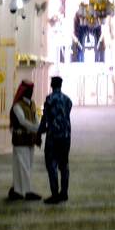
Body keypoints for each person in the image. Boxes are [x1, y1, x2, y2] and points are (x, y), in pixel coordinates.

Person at [37, 75, 73, 204]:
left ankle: (55, 194)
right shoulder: (67, 100)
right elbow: (67, 114)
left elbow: (45, 118)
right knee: (64, 164)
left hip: (53, 137)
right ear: (61, 85)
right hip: (65, 136)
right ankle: (64, 193)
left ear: (52, 85)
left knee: (51, 165)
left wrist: (39, 133)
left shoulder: (49, 99)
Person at [7, 80, 42, 202]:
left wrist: (39, 127)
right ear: (23, 91)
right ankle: (27, 192)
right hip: (20, 139)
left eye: (32, 90)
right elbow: (22, 121)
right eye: (29, 90)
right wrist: (37, 128)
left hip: (30, 139)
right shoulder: (17, 105)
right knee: (22, 165)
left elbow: (36, 118)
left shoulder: (32, 104)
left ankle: (17, 190)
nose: (31, 92)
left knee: (26, 165)